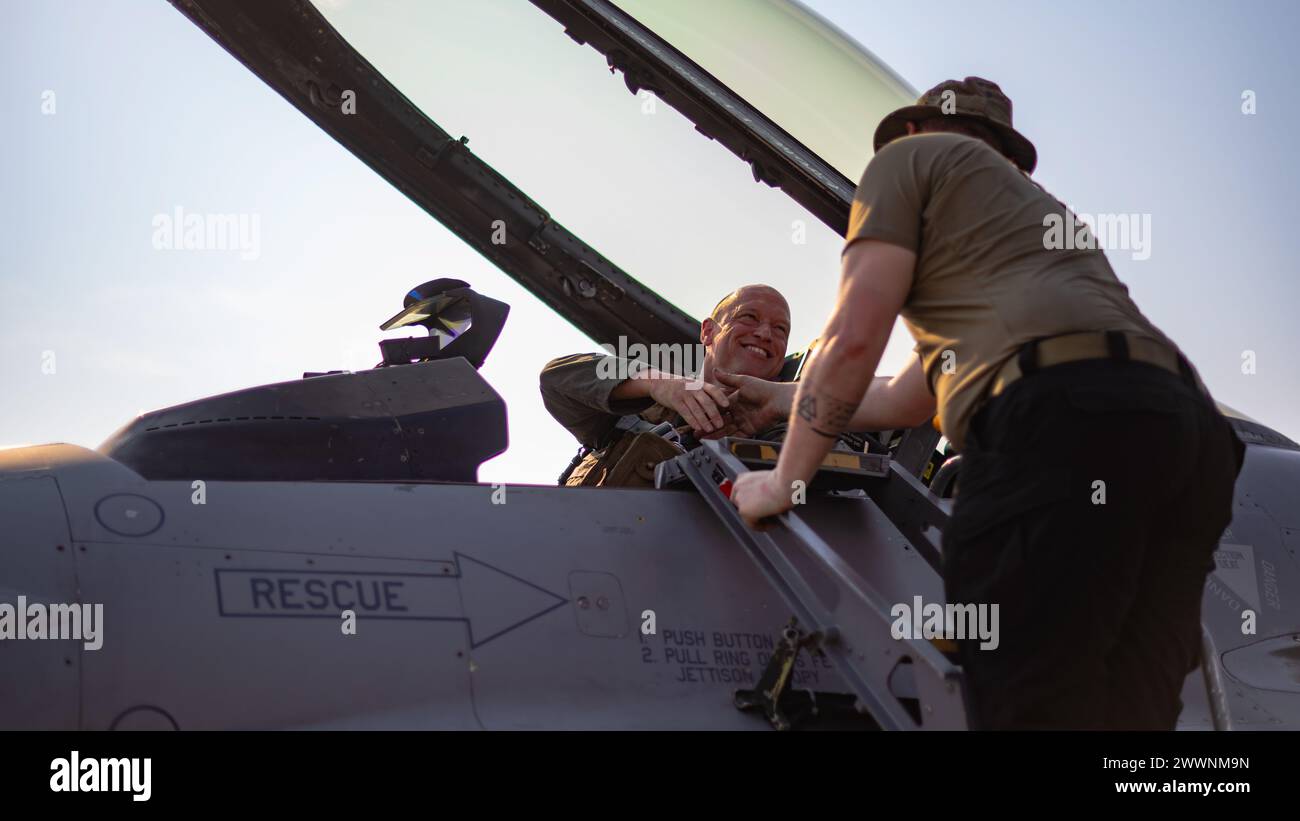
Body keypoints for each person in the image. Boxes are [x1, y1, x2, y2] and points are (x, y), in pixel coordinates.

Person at [724, 77, 1245, 729]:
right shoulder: (1042, 234)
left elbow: (853, 338)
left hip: (1062, 420)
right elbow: (905, 399)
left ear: (913, 133)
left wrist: (782, 480)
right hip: (1192, 445)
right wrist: (776, 398)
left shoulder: (909, 163)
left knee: (1029, 700)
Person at [541, 284, 791, 485]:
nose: (765, 334)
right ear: (708, 331)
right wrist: (655, 384)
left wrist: (787, 397)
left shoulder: (789, 429)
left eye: (780, 329)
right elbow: (556, 379)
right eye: (749, 317)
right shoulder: (643, 410)